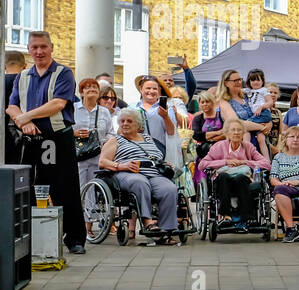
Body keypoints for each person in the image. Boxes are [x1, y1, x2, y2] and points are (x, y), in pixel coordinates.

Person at [5, 32, 86, 252]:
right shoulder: (22, 77)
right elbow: (11, 106)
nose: (39, 52)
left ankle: (75, 239)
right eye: (34, 47)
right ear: (28, 49)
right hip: (29, 139)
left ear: (51, 47)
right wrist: (23, 121)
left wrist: (26, 116)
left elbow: (58, 104)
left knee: (65, 187)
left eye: (43, 47)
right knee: (27, 186)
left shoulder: (63, 73)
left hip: (57, 138)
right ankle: (29, 238)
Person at [98, 107, 181, 245]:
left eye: (129, 121)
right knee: (140, 182)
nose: (125, 123)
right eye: (122, 121)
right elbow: (102, 162)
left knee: (169, 188)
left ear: (137, 125)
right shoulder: (115, 140)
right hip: (127, 173)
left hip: (153, 174)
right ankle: (148, 222)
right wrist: (120, 166)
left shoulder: (148, 138)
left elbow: (157, 156)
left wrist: (164, 164)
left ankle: (166, 230)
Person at [197, 118, 270, 229]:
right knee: (224, 176)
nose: (236, 132)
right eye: (233, 130)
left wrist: (244, 162)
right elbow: (202, 164)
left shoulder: (248, 147)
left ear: (243, 133)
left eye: (239, 130)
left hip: (242, 181)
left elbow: (266, 164)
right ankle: (226, 215)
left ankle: (246, 216)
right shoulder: (219, 146)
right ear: (227, 132)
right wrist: (225, 162)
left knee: (241, 177)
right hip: (223, 181)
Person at [215, 69, 273, 158]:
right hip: (240, 147)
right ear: (226, 83)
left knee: (264, 168)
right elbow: (237, 124)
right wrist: (264, 127)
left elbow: (264, 112)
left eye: (240, 79)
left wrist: (269, 123)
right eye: (235, 80)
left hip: (260, 144)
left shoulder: (247, 95)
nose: (239, 82)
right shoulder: (224, 102)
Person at [74, 77, 115, 190]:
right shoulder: (73, 109)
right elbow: (63, 128)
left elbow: (111, 132)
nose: (92, 89)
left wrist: (104, 142)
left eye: (95, 87)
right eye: (88, 87)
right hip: (78, 155)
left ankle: (91, 208)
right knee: (78, 186)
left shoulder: (104, 111)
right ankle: (79, 208)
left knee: (94, 186)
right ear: (82, 92)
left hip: (97, 155)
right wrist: (74, 133)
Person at [191, 89, 225, 175]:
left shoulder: (221, 115)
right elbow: (196, 135)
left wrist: (211, 137)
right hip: (205, 149)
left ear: (212, 103)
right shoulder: (197, 118)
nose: (205, 104)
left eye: (207, 102)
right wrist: (217, 133)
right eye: (202, 102)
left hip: (222, 147)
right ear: (199, 104)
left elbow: (227, 131)